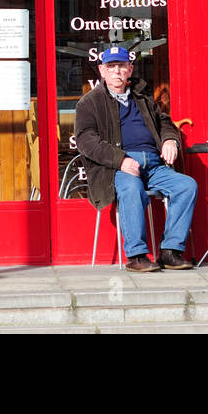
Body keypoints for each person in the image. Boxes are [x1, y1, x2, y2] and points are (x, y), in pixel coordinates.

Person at [75, 45, 198, 272]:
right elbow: (85, 140)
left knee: (187, 185)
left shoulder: (142, 97)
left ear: (129, 69)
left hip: (153, 164)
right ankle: (137, 255)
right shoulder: (89, 103)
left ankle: (170, 251)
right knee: (132, 189)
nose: (117, 71)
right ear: (102, 71)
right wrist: (121, 160)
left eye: (121, 66)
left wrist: (170, 140)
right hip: (118, 166)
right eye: (111, 67)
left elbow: (164, 123)